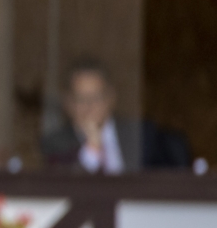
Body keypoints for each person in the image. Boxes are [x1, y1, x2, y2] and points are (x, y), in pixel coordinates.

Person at [41, 58, 190, 172]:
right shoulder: (55, 144)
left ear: (110, 98)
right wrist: (92, 150)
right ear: (69, 103)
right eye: (81, 99)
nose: (89, 107)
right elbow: (65, 189)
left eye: (96, 98)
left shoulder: (141, 136)